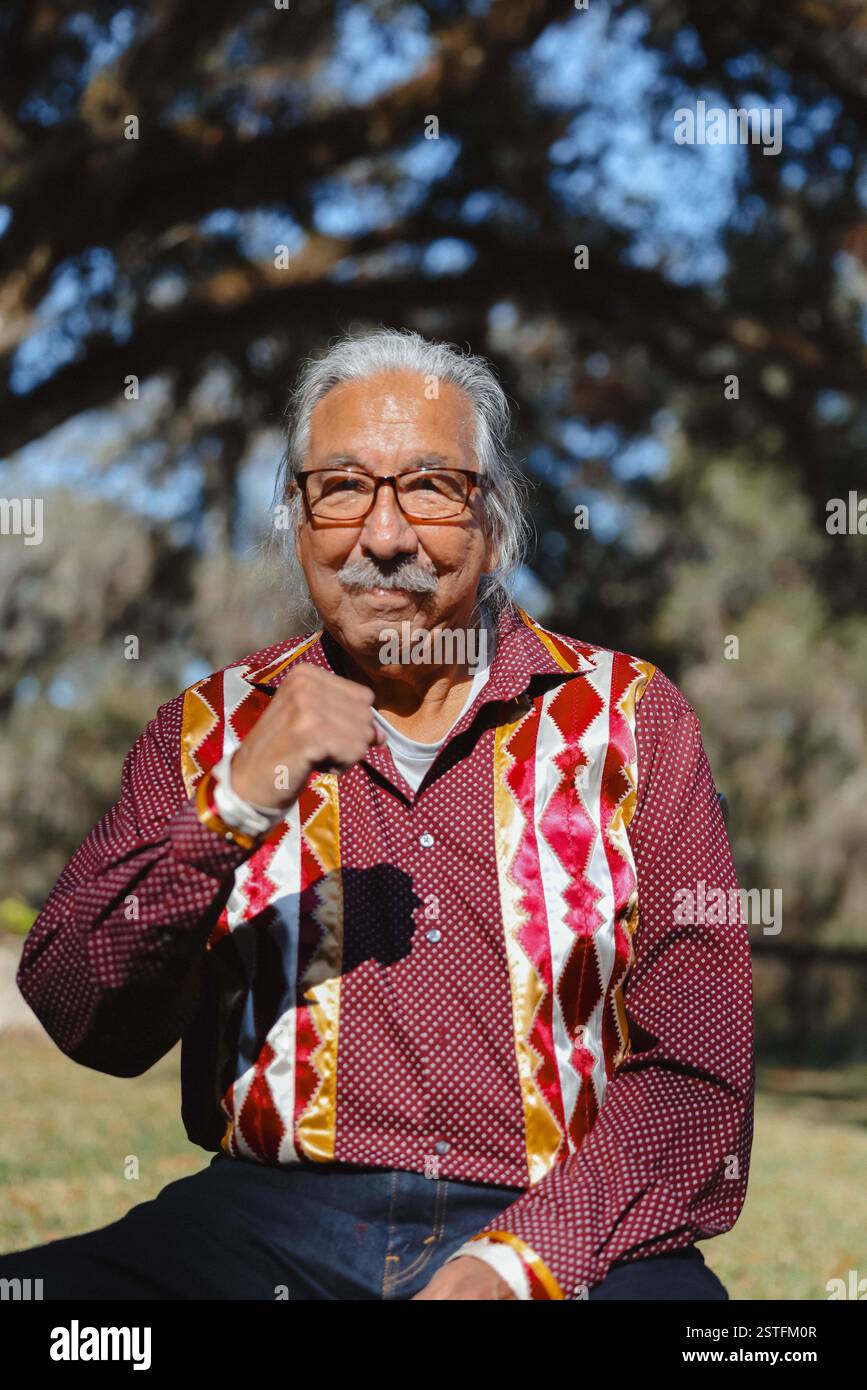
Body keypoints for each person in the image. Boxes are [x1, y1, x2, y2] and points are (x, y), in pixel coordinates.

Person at [1, 328, 753, 1300]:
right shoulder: (208, 728)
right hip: (261, 1229)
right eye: (343, 487)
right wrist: (232, 803)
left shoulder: (633, 720)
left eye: (431, 486)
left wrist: (516, 1262)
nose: (385, 536)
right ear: (298, 516)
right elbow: (82, 1008)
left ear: (494, 522)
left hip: (561, 1228)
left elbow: (698, 1073)